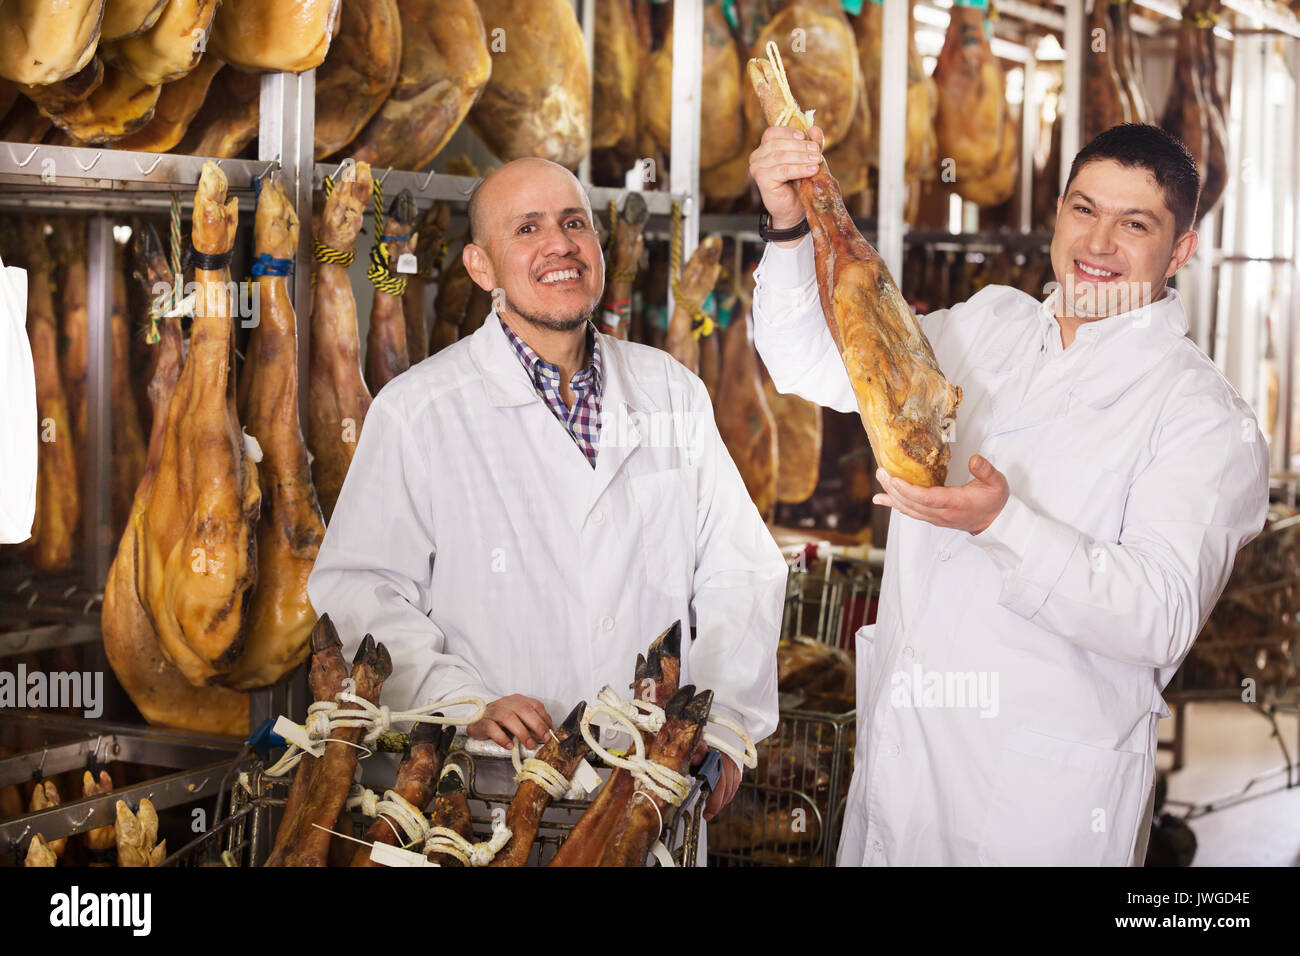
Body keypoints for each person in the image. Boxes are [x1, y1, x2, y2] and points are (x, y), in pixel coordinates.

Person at [748, 122, 1269, 865]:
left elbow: (1161, 615)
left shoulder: (1202, 415)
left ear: (1179, 251)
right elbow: (809, 366)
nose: (1098, 244)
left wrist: (1001, 524)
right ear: (1057, 214)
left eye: (1135, 224)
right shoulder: (987, 326)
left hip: (1038, 808)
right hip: (903, 770)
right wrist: (790, 226)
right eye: (1084, 210)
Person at [307, 157, 787, 822]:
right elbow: (361, 590)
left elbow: (742, 569)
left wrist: (725, 723)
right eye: (526, 229)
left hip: (651, 789)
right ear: (481, 268)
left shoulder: (670, 390)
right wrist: (461, 702)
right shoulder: (418, 410)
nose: (559, 244)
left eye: (573, 224)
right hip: (491, 797)